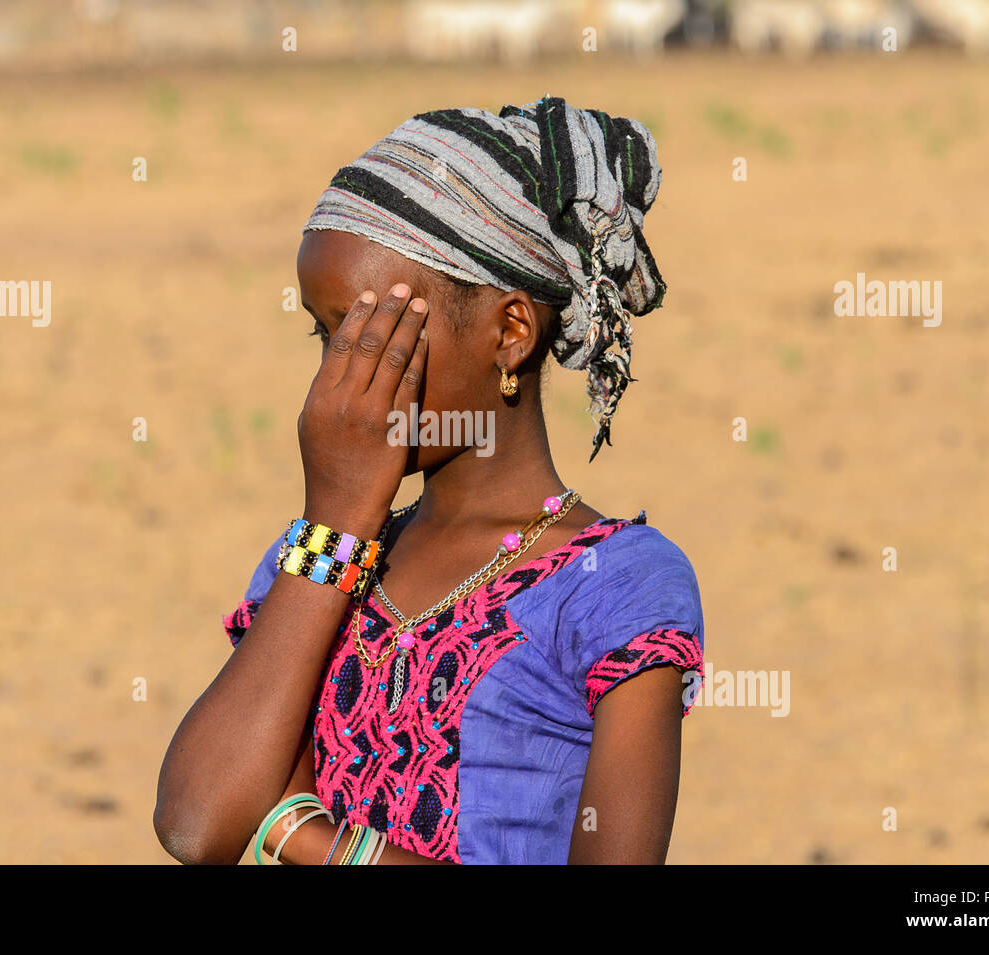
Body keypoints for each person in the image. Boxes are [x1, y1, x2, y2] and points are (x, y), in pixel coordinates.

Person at [154, 95, 705, 865]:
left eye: (372, 337)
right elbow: (197, 822)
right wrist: (338, 519)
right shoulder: (322, 557)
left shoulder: (615, 584)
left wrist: (310, 838)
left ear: (510, 334)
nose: (338, 381)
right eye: (327, 336)